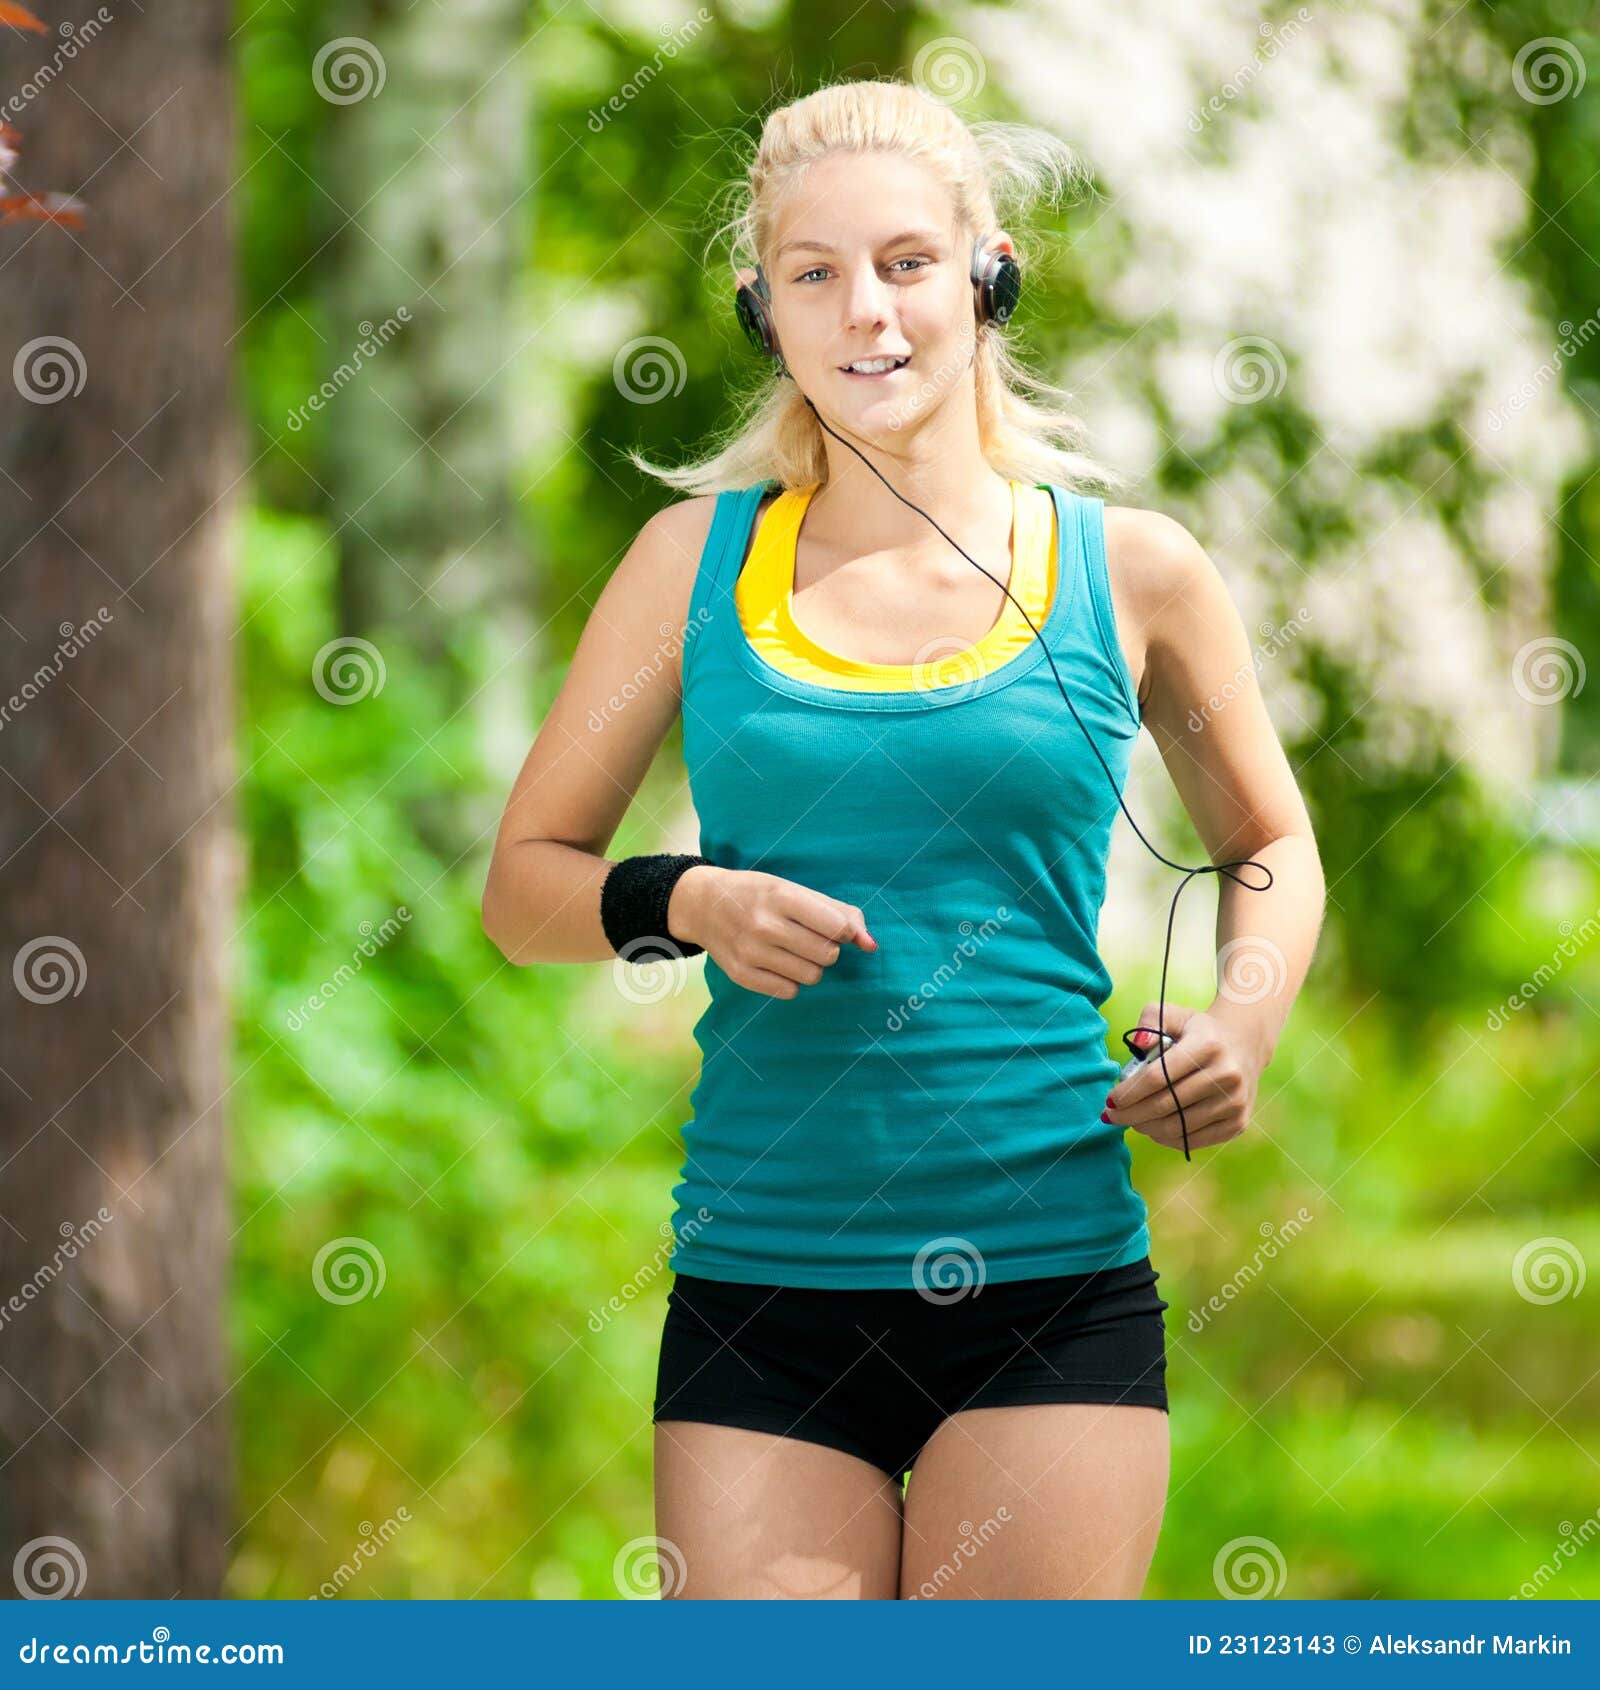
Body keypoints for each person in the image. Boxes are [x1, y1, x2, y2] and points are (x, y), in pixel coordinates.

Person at [481, 78, 1325, 1600]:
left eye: (906, 263)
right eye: (814, 274)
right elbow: (522, 888)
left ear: (989, 277)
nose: (864, 310)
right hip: (762, 1290)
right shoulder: (688, 566)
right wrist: (690, 900)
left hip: (1049, 1286)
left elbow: (1270, 838)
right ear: (763, 311)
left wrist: (1244, 1028)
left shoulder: (1131, 572)